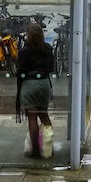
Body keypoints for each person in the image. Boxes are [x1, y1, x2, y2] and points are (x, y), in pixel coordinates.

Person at [15, 22, 54, 158]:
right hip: (44, 84)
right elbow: (51, 67)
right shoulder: (47, 48)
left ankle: (35, 150)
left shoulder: (24, 51)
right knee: (44, 114)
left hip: (28, 85)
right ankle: (48, 146)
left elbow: (19, 71)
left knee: (32, 117)